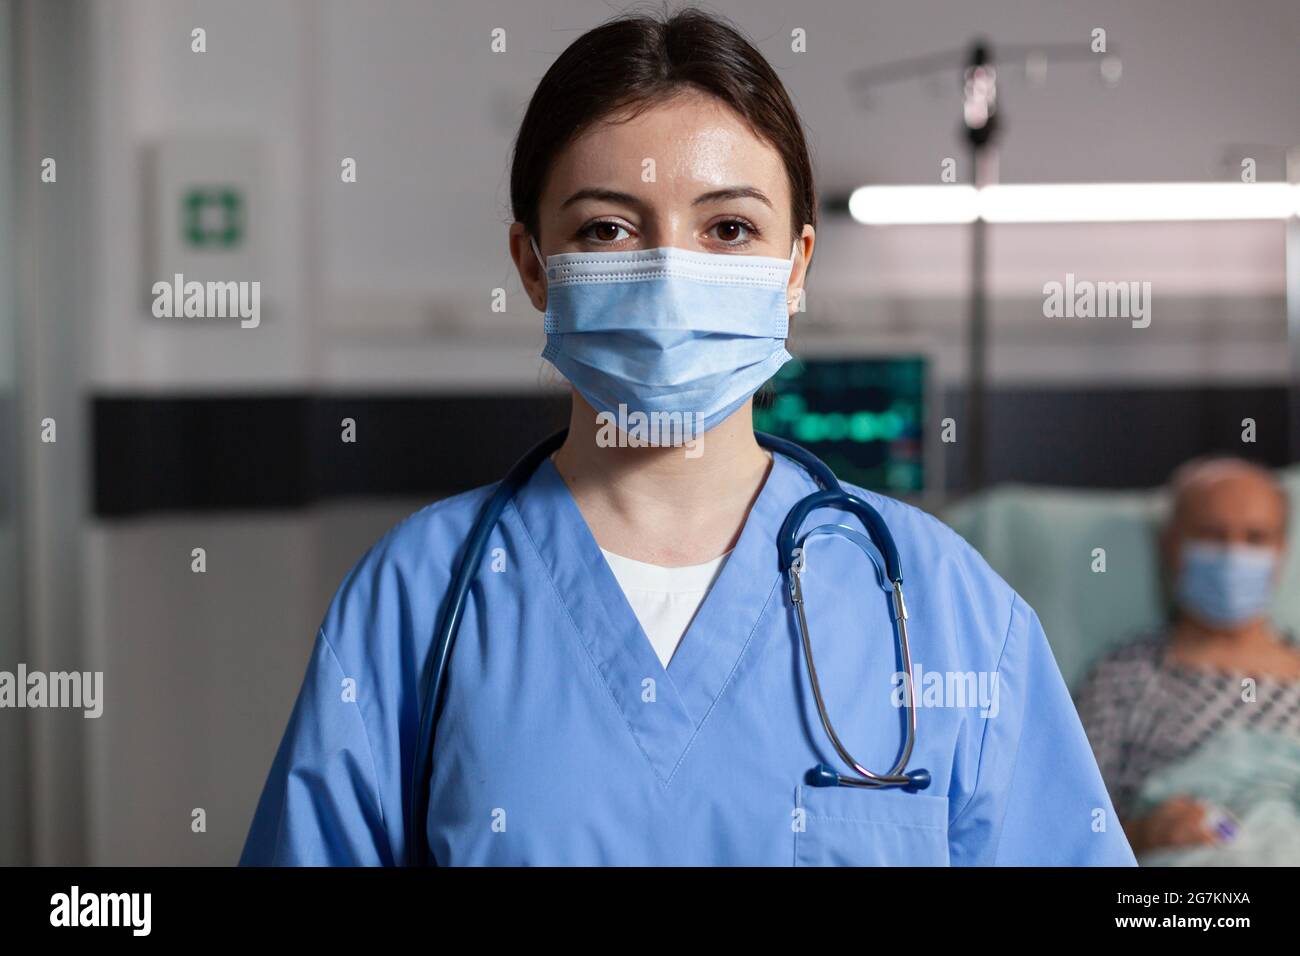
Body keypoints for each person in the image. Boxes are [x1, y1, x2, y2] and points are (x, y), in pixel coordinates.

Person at [240, 8, 1132, 866]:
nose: (673, 271)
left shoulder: (947, 611)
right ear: (532, 267)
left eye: (730, 229)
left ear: (797, 269)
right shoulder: (415, 602)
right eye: (608, 229)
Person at [1075, 456, 1300, 857]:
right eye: (1212, 535)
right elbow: (1067, 822)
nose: (1234, 555)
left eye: (1255, 538)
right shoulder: (1124, 679)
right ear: (1173, 545)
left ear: (1281, 552)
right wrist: (1141, 833)